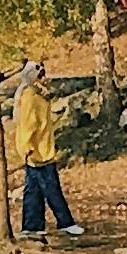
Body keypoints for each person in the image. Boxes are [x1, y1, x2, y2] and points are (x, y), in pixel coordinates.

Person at [14, 57, 81, 238]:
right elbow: (28, 124)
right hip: (37, 152)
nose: (45, 78)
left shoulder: (38, 95)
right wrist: (27, 147)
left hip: (42, 149)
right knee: (51, 188)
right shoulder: (30, 97)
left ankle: (32, 226)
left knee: (33, 190)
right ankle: (65, 222)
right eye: (41, 75)